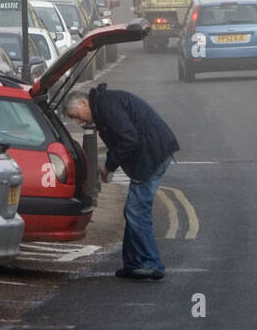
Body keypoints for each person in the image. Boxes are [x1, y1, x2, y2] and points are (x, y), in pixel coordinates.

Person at [64, 84, 180, 280]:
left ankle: (151, 263)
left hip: (151, 155)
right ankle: (134, 263)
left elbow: (128, 139)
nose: (78, 121)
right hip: (152, 152)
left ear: (84, 102)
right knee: (133, 210)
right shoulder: (104, 105)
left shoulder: (107, 106)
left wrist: (108, 166)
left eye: (76, 115)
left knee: (137, 211)